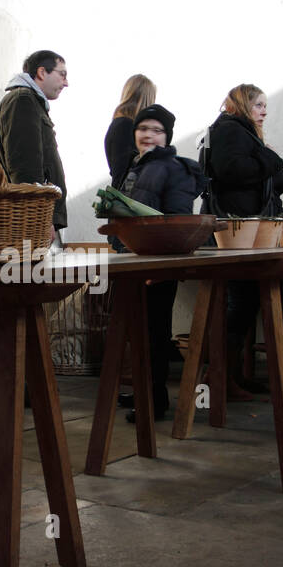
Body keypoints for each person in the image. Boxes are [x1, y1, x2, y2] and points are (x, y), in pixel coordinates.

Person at [111, 104, 205, 423]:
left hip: (156, 263)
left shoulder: (174, 168)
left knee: (154, 332)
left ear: (167, 137)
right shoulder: (134, 165)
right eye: (143, 129)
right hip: (131, 260)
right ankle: (143, 390)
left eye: (156, 130)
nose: (148, 135)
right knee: (137, 331)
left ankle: (155, 400)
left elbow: (177, 222)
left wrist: (161, 265)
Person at [199, 83, 283, 400]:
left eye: (266, 106)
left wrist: (269, 161)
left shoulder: (240, 132)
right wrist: (270, 160)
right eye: (259, 105)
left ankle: (229, 374)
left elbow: (277, 180)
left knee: (244, 301)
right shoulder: (230, 130)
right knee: (239, 302)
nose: (264, 111)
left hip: (245, 231)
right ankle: (218, 376)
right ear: (243, 104)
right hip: (234, 231)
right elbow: (231, 170)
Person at [0, 50, 69, 242]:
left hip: (36, 217)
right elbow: (24, 166)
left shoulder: (29, 100)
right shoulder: (22, 100)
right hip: (32, 221)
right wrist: (38, 219)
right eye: (62, 74)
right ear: (42, 72)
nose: (66, 83)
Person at [104, 74, 156, 184]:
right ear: (147, 99)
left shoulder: (119, 123)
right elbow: (122, 173)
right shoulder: (126, 126)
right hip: (130, 197)